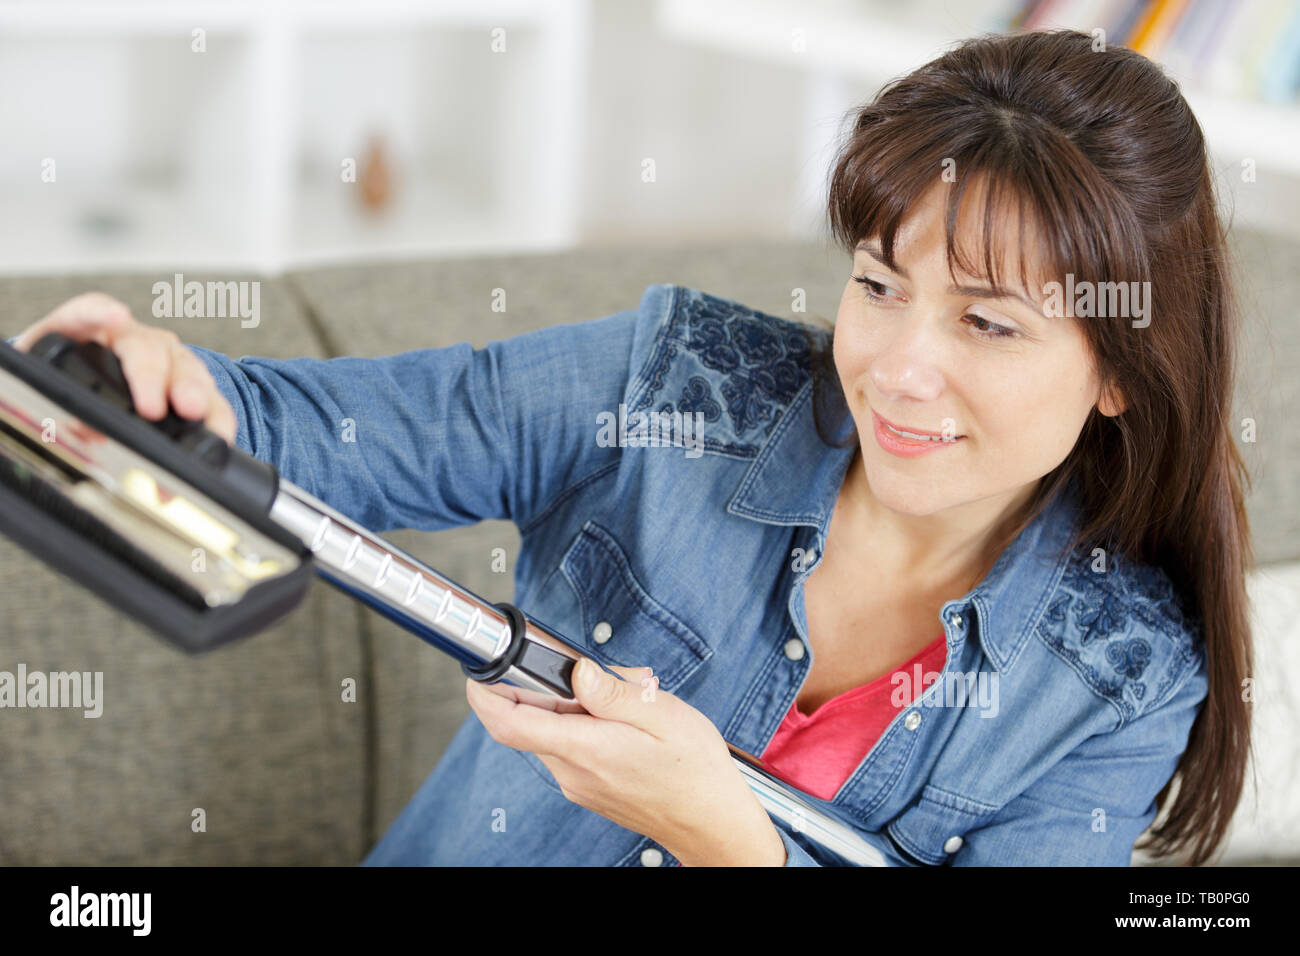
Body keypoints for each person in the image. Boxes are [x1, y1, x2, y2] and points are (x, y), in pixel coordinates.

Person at [9, 30, 1252, 866]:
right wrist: (172, 386)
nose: (897, 365)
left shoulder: (1122, 673)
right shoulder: (679, 387)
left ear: (1120, 375)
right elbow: (314, 432)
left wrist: (732, 844)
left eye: (987, 320)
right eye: (878, 285)